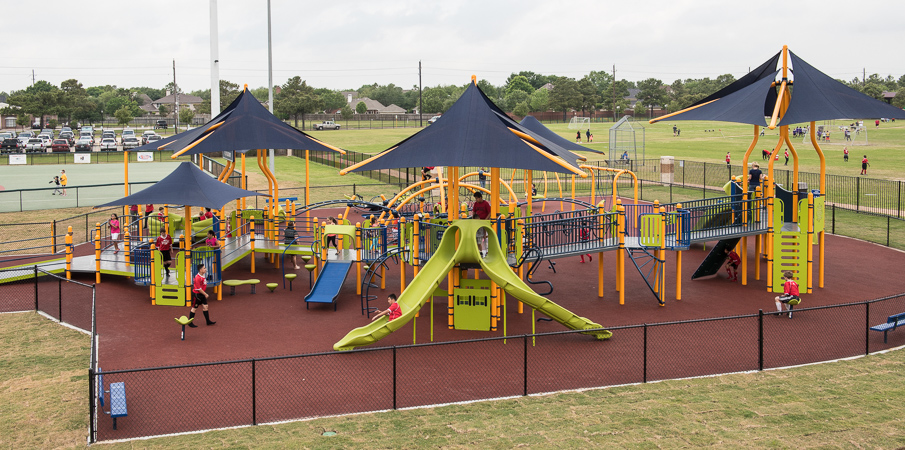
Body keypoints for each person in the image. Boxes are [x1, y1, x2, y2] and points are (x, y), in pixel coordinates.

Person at [471, 192, 491, 257]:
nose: (476, 200)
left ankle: (486, 250)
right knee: (478, 237)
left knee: (485, 236)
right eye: (475, 198)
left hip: (484, 222)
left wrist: (486, 219)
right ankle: (479, 251)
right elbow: (474, 211)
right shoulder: (476, 204)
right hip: (477, 222)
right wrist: (473, 219)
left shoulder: (485, 204)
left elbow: (490, 212)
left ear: (480, 197)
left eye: (477, 198)